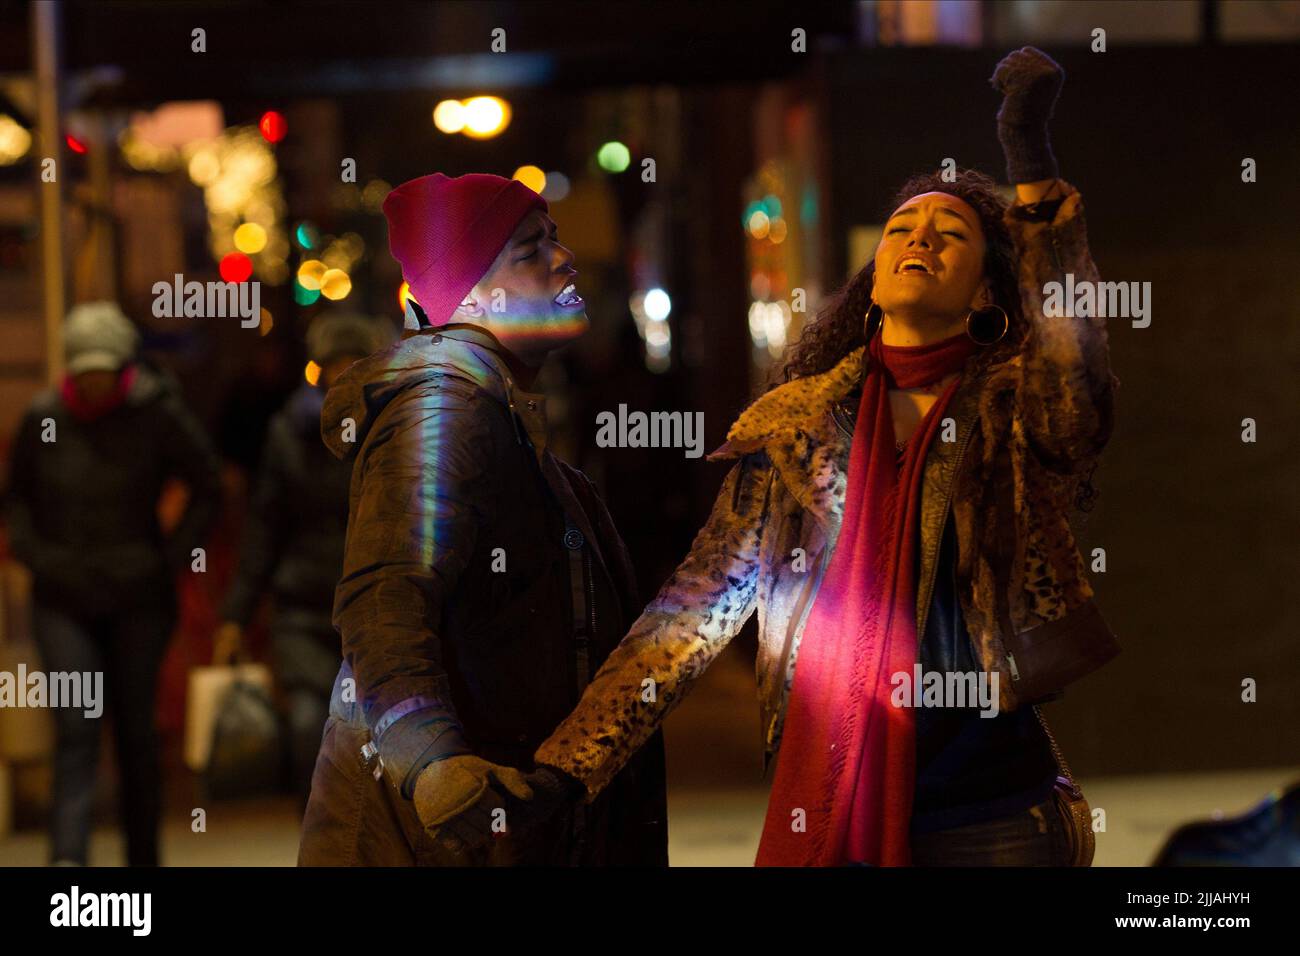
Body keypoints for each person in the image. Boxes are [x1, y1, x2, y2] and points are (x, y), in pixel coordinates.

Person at [441, 47, 1120, 866]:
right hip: (836, 792)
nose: (921, 239)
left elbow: (1074, 376)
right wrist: (566, 767)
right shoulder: (794, 431)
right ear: (870, 283)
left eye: (953, 234)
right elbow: (691, 615)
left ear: (986, 289)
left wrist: (1034, 175)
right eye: (903, 228)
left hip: (997, 815)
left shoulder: (1012, 409)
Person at [296, 172, 668, 866]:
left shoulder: (492, 405)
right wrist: (432, 762)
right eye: (531, 249)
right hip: (418, 840)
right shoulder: (445, 406)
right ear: (468, 296)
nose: (565, 259)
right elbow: (385, 596)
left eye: (555, 239)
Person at [3, 301, 222, 866]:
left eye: (105, 371)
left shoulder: (156, 413)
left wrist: (168, 558)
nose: (96, 384)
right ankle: (67, 864)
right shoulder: (45, 418)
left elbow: (207, 487)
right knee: (76, 728)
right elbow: (16, 503)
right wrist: (40, 559)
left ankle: (142, 864)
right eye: (86, 373)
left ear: (124, 367)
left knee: (135, 733)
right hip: (63, 597)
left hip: (138, 598)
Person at [214, 312, 390, 807]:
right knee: (309, 725)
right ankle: (319, 840)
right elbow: (264, 528)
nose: (345, 374)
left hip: (376, 607)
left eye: (356, 363)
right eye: (335, 364)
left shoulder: (397, 428)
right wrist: (235, 615)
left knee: (376, 735)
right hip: (305, 606)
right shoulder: (289, 432)